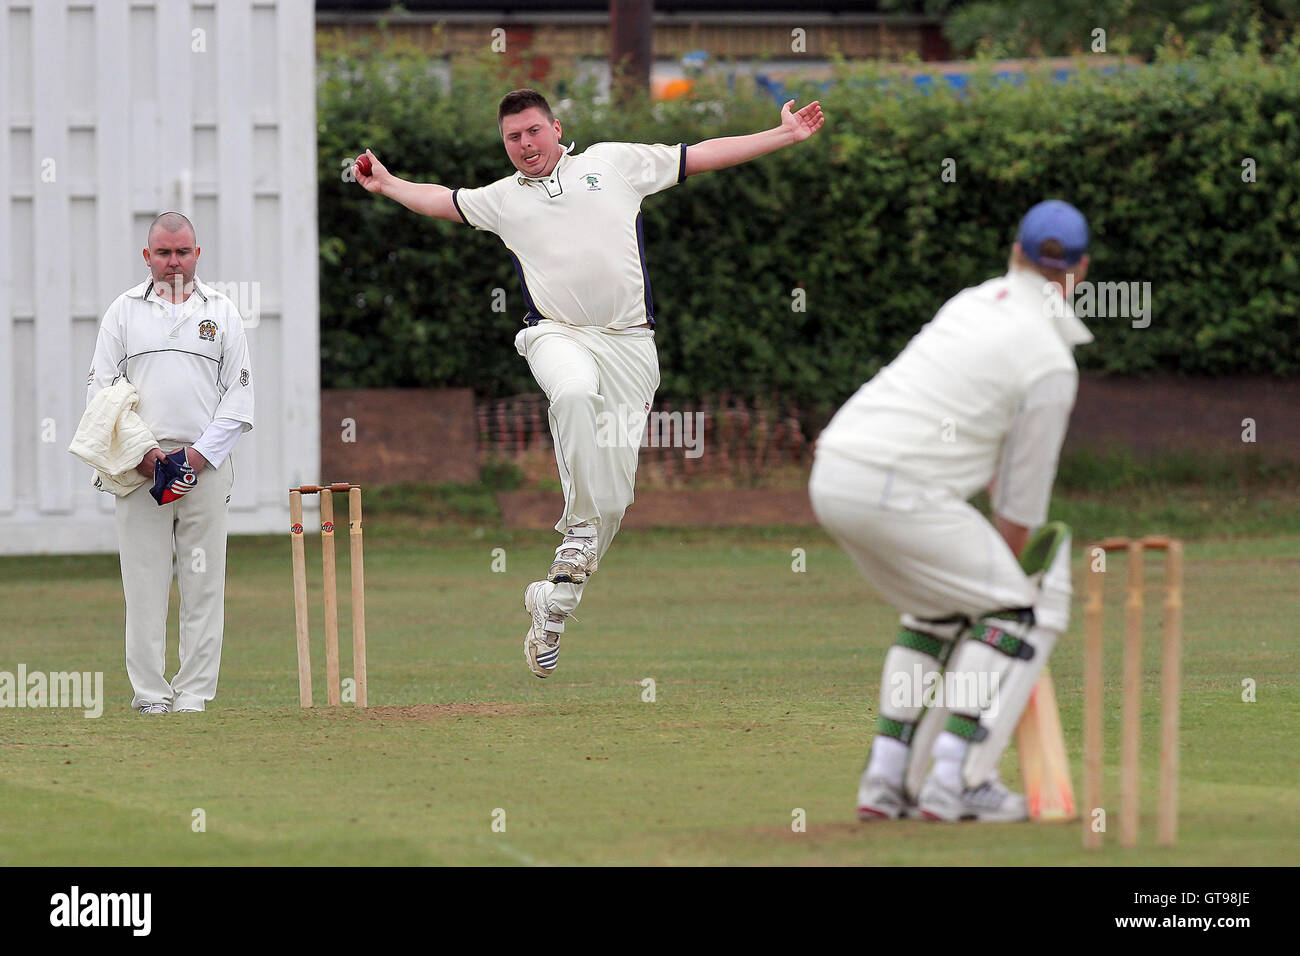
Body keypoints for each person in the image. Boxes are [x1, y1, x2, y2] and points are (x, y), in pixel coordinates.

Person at [355, 88, 824, 677]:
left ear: (556, 127)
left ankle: (551, 607)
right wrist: (391, 184)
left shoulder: (611, 163)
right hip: (556, 334)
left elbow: (699, 154)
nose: (525, 145)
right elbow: (442, 200)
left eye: (533, 131)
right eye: (512, 138)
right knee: (573, 394)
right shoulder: (503, 201)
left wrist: (783, 134)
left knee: (616, 499)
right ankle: (575, 529)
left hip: (630, 344)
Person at [809, 200, 1092, 821]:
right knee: (1016, 613)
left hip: (835, 467)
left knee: (939, 609)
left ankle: (885, 782)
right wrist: (1000, 605)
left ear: (1014, 251)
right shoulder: (1050, 362)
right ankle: (955, 780)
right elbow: (1017, 513)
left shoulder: (970, 303)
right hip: (898, 488)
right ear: (1080, 271)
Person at [86, 212, 254, 713]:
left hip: (205, 466)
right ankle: (151, 694)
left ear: (197, 254)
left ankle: (194, 694)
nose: (173, 261)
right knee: (144, 582)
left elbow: (239, 397)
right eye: (163, 252)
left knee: (204, 584)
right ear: (147, 256)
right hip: (140, 469)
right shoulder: (122, 312)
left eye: (182, 252)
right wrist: (145, 454)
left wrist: (197, 456)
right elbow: (101, 391)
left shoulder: (222, 312)